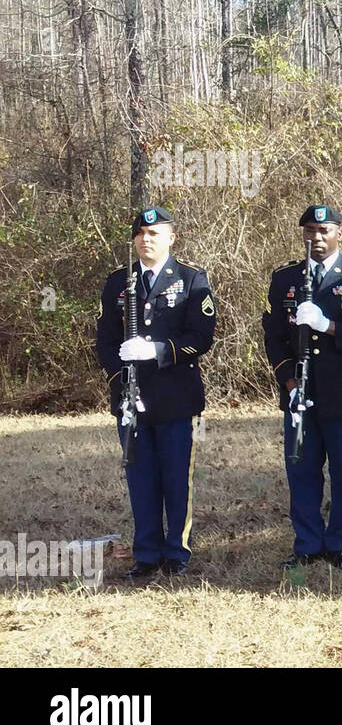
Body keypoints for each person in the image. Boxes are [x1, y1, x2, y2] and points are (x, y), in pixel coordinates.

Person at [262, 205, 342, 571]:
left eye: (324, 230)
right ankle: (307, 544)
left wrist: (328, 325)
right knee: (301, 469)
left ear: (338, 233)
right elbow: (272, 337)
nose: (316, 238)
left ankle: (340, 544)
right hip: (298, 391)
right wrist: (288, 381)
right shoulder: (284, 278)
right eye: (310, 230)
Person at [95, 206, 216, 579]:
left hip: (177, 396)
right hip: (132, 399)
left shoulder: (192, 279)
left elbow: (202, 337)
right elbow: (105, 339)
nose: (146, 239)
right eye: (141, 234)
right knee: (141, 477)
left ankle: (177, 551)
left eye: (154, 233)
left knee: (176, 477)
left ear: (171, 238)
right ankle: (146, 553)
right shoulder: (119, 281)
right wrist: (120, 376)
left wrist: (159, 351)